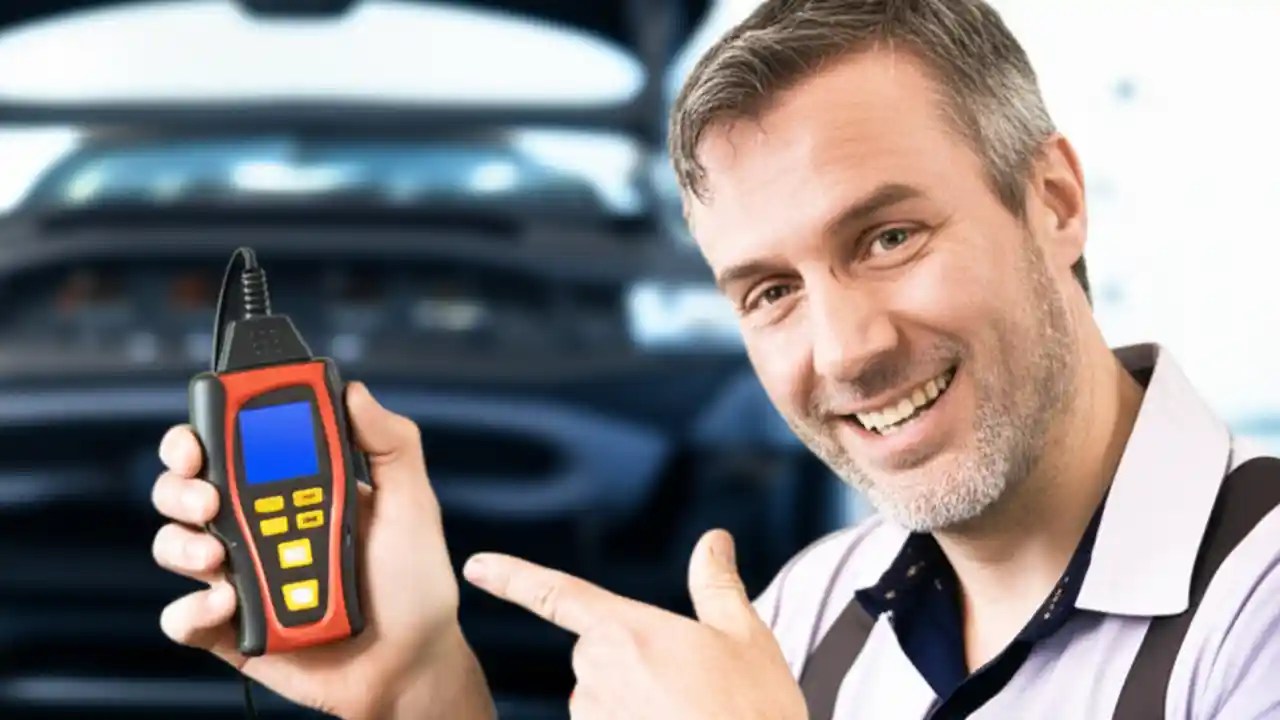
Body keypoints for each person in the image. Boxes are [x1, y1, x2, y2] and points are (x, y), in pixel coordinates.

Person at [149, 0, 1280, 718]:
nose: (846, 350)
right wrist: (413, 692)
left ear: (1052, 201)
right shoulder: (805, 616)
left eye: (888, 237)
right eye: (770, 291)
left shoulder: (1258, 610)